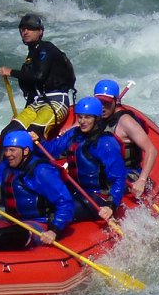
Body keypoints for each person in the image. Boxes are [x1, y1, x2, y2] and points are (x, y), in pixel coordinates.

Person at [0, 130, 73, 252]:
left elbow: (65, 202)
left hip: (38, 223)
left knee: (3, 236)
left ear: (25, 151)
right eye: (6, 150)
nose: (8, 154)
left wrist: (54, 230)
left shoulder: (42, 171)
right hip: (12, 221)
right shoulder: (4, 167)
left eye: (12, 150)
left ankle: (2, 269)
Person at [43, 96, 128, 224]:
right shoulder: (74, 134)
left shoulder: (106, 143)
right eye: (80, 117)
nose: (82, 121)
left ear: (97, 119)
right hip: (75, 189)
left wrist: (111, 205)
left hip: (97, 197)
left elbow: (119, 178)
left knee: (57, 212)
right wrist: (34, 140)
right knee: (40, 202)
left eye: (87, 117)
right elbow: (52, 149)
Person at [0, 13, 76, 137]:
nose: (26, 32)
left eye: (31, 28)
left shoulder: (46, 48)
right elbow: (33, 91)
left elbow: (39, 76)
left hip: (56, 101)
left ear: (40, 31)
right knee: (8, 133)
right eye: (23, 29)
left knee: (30, 135)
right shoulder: (31, 56)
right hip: (36, 103)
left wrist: (11, 72)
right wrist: (23, 114)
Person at [90, 78, 158, 198]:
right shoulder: (94, 116)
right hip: (104, 169)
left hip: (127, 171)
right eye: (99, 102)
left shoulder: (126, 121)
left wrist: (142, 180)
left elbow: (151, 150)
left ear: (116, 101)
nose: (102, 107)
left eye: (107, 103)